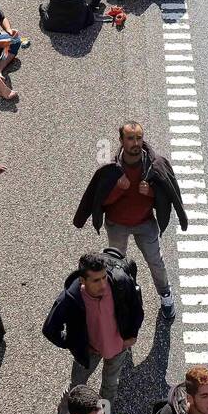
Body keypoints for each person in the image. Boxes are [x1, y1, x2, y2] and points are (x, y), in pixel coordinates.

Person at [74, 121, 186, 321]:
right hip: (117, 225)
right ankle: (119, 298)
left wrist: (151, 192)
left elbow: (166, 196)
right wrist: (118, 189)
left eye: (139, 138)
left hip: (145, 223)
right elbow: (100, 201)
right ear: (121, 140)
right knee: (117, 266)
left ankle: (166, 295)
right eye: (130, 138)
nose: (136, 143)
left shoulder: (156, 165)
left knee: (156, 262)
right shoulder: (110, 169)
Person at [42, 250, 144, 414]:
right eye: (96, 280)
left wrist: (131, 337)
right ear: (83, 281)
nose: (103, 284)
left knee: (110, 386)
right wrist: (73, 343)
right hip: (88, 352)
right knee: (77, 386)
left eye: (104, 277)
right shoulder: (70, 298)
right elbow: (50, 329)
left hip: (117, 348)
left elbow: (136, 308)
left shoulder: (120, 283)